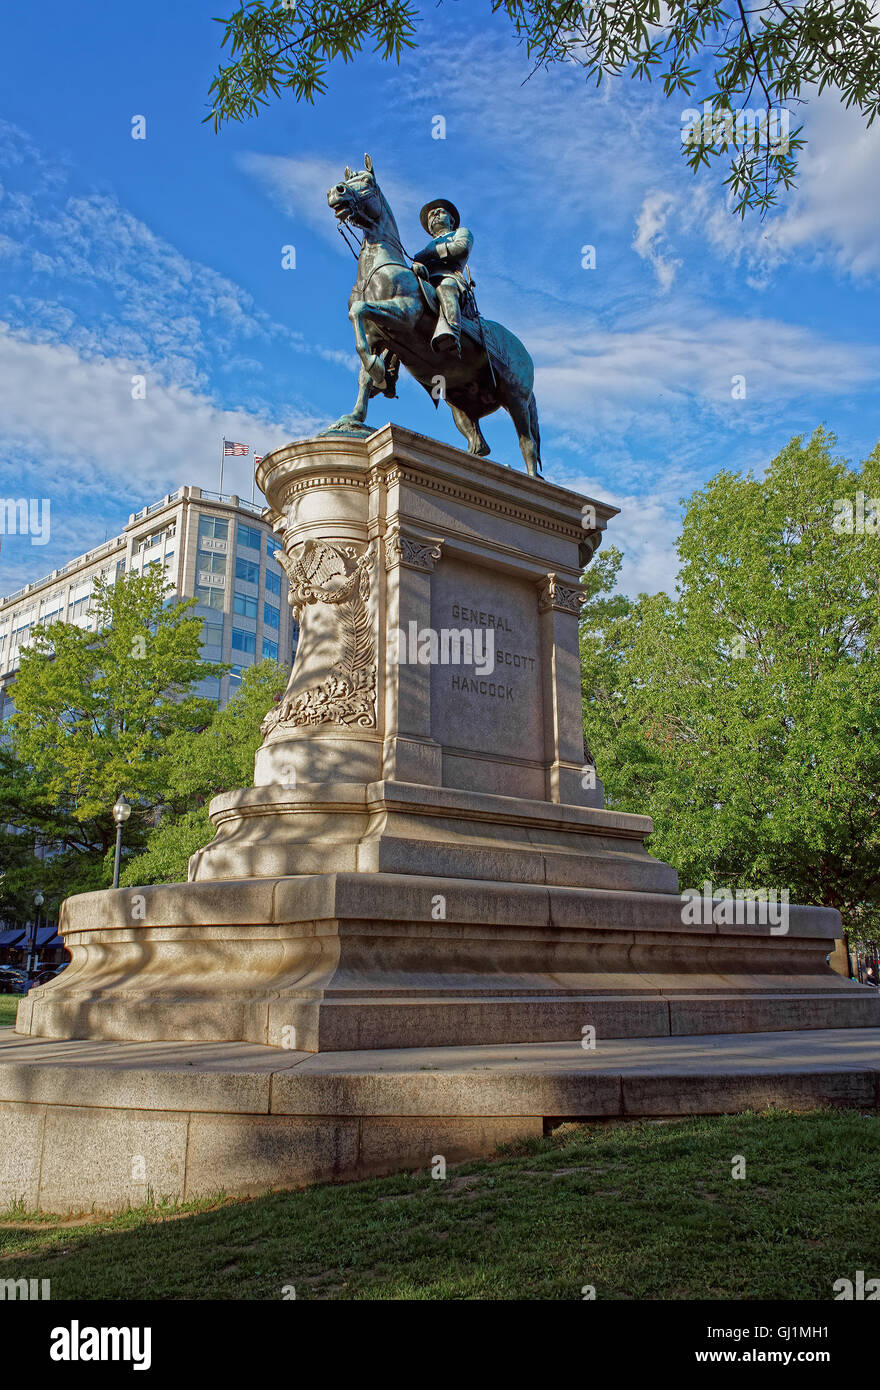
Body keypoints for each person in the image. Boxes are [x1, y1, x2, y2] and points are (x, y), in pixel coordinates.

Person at [412, 198, 474, 354]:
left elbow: (461, 248)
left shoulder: (461, 233)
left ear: (451, 220)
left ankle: (452, 333)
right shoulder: (428, 245)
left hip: (451, 278)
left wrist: (431, 252)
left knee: (446, 288)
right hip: (427, 281)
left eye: (439, 212)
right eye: (431, 215)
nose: (435, 216)